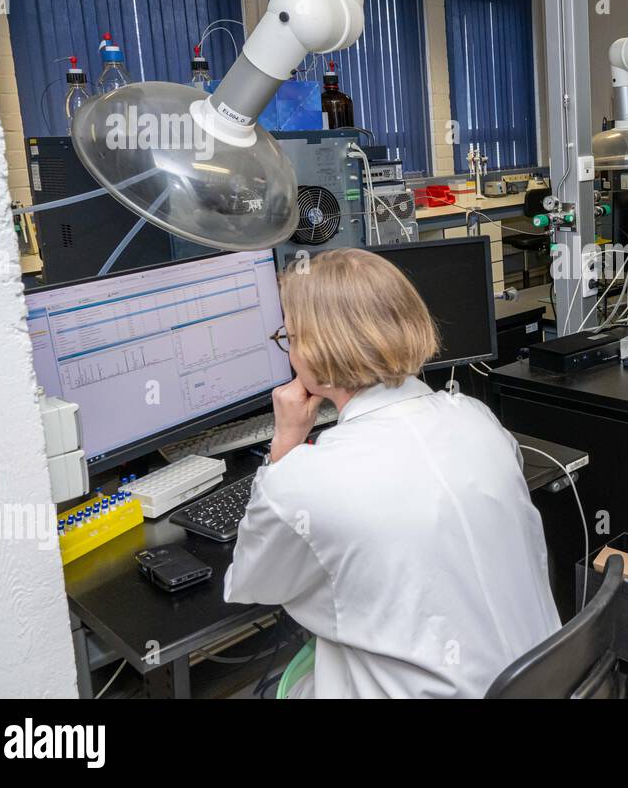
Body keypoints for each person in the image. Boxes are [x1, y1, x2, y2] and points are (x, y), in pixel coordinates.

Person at [224, 248, 560, 697]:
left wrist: (285, 444)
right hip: (540, 677)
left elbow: (253, 583)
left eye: (290, 337)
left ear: (313, 350)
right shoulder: (476, 416)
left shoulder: (307, 479)